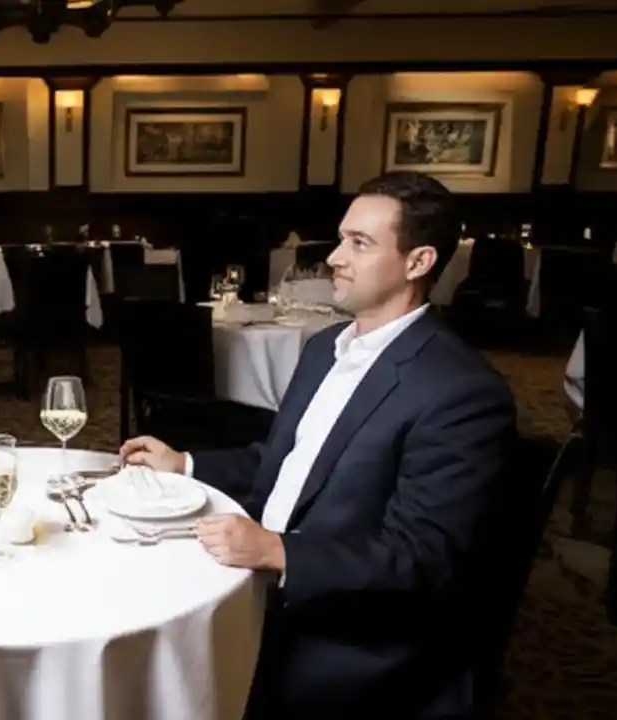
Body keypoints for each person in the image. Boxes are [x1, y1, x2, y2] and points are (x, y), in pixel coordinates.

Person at [121, 171, 516, 719]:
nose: (334, 257)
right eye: (340, 238)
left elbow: (422, 558)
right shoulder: (326, 345)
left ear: (418, 262)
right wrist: (184, 463)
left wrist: (277, 552)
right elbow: (282, 465)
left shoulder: (461, 392)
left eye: (359, 243)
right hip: (263, 580)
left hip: (350, 632)